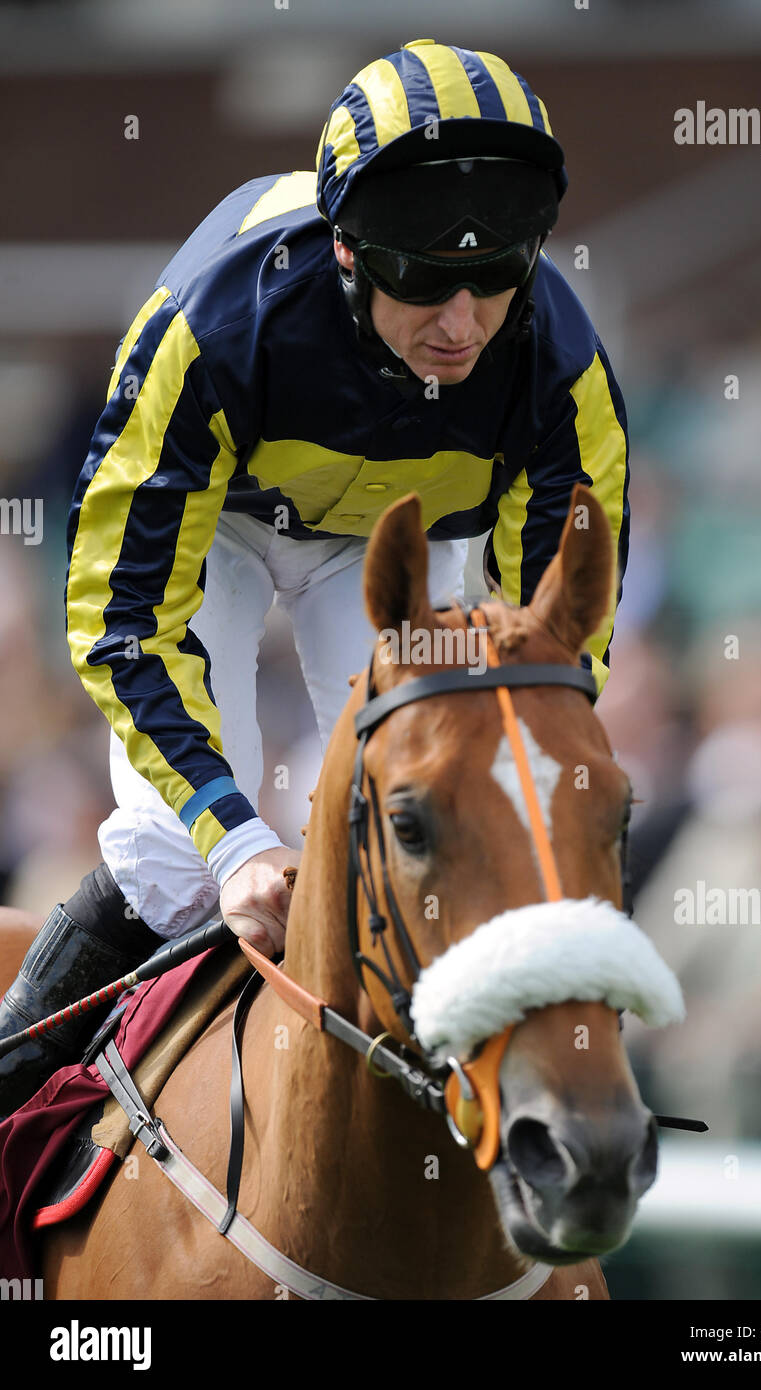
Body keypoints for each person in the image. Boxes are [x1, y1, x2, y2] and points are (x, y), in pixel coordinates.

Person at [0, 39, 630, 1113]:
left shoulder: (557, 367)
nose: (461, 323)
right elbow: (118, 619)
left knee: (446, 793)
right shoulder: (211, 329)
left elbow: (554, 649)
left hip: (396, 535)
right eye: (423, 278)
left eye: (494, 275)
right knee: (175, 858)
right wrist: (238, 838)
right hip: (225, 529)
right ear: (345, 253)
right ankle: (14, 1080)